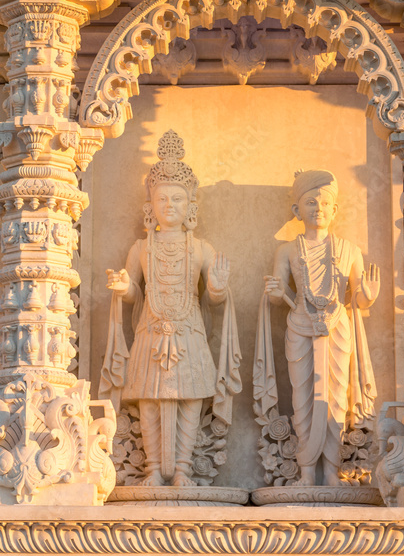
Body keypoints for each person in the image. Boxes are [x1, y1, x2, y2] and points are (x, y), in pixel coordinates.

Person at [100, 130, 241, 487]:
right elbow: (134, 290)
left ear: (190, 206)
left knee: (191, 397)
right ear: (150, 206)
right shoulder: (140, 248)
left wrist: (217, 287)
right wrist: (124, 288)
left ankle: (182, 469)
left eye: (177, 199)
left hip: (189, 329)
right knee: (148, 397)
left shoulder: (202, 248)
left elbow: (214, 299)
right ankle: (152, 469)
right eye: (162, 199)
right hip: (151, 330)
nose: (170, 206)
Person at [258, 169, 379, 487]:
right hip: (300, 326)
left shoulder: (349, 251)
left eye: (325, 203)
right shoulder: (287, 251)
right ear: (297, 210)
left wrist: (368, 295)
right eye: (311, 202)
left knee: (336, 400)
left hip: (337, 328)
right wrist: (275, 292)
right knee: (303, 400)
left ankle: (332, 473)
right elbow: (279, 294)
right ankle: (307, 473)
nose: (319, 208)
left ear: (335, 210)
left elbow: (358, 298)